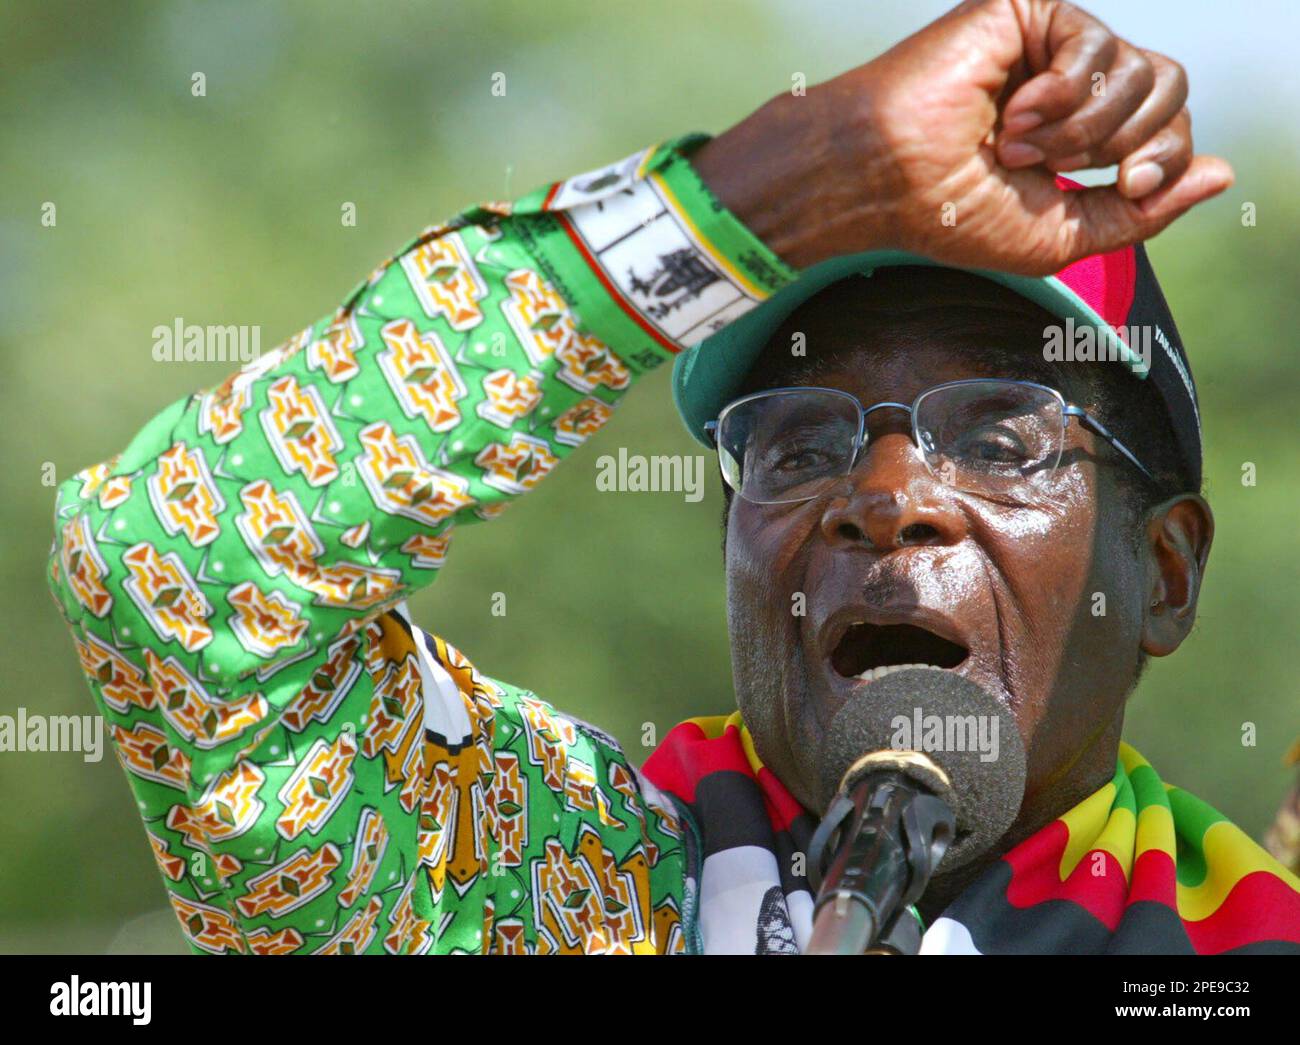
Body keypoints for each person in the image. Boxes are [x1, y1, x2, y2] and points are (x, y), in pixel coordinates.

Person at [47, 0, 1300, 954]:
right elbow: (177, 566)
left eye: (996, 439)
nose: (884, 497)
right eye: (797, 448)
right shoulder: (571, 891)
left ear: (1165, 575)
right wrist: (793, 179)